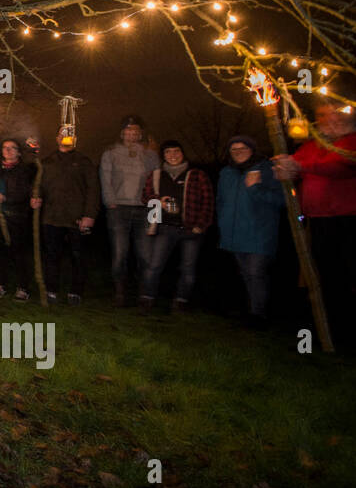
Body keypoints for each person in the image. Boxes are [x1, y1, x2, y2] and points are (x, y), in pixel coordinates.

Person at [272, 102, 356, 345]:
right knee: (325, 276)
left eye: (334, 115)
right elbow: (294, 166)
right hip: (318, 222)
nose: (328, 120)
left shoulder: (349, 143)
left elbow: (341, 165)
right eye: (321, 116)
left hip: (347, 221)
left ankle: (346, 331)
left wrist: (299, 166)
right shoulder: (311, 147)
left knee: (347, 275)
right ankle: (328, 331)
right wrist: (283, 167)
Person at [217, 135, 284, 326]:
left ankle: (259, 315)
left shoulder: (267, 170)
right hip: (234, 232)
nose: (238, 153)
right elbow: (221, 201)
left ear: (252, 150)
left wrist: (255, 188)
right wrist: (222, 223)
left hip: (260, 232)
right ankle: (251, 311)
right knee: (246, 273)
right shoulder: (226, 173)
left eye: (243, 149)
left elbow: (281, 200)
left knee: (256, 272)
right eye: (234, 150)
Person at [140, 140, 213, 314]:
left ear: (183, 153)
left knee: (188, 268)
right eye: (168, 152)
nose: (173, 155)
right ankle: (147, 298)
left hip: (190, 229)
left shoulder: (197, 174)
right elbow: (145, 198)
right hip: (164, 227)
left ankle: (181, 301)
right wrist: (158, 201)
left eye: (176, 151)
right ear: (163, 155)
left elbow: (208, 202)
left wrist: (201, 225)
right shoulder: (157, 175)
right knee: (154, 265)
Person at [32, 127, 100, 304]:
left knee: (77, 256)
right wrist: (36, 196)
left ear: (75, 139)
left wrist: (89, 215)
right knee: (52, 255)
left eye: (70, 136)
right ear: (57, 138)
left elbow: (93, 190)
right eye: (63, 135)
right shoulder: (47, 162)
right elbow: (39, 185)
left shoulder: (84, 162)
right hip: (51, 217)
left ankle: (75, 292)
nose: (66, 138)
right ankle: (51, 290)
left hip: (77, 218)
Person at [100, 114, 160, 306]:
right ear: (122, 132)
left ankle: (144, 292)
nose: (132, 133)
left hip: (144, 209)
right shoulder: (110, 153)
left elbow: (157, 183)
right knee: (120, 253)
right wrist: (110, 202)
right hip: (119, 209)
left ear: (141, 133)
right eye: (128, 130)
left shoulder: (150, 154)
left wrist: (154, 214)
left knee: (145, 254)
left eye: (135, 130)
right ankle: (120, 292)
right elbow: (105, 179)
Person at [0, 139, 35, 300]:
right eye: (5, 147)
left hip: (16, 216)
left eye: (12, 148)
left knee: (19, 252)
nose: (8, 150)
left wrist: (5, 198)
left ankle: (23, 287)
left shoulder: (24, 171)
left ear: (18, 152)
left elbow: (25, 192)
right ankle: (0, 284)